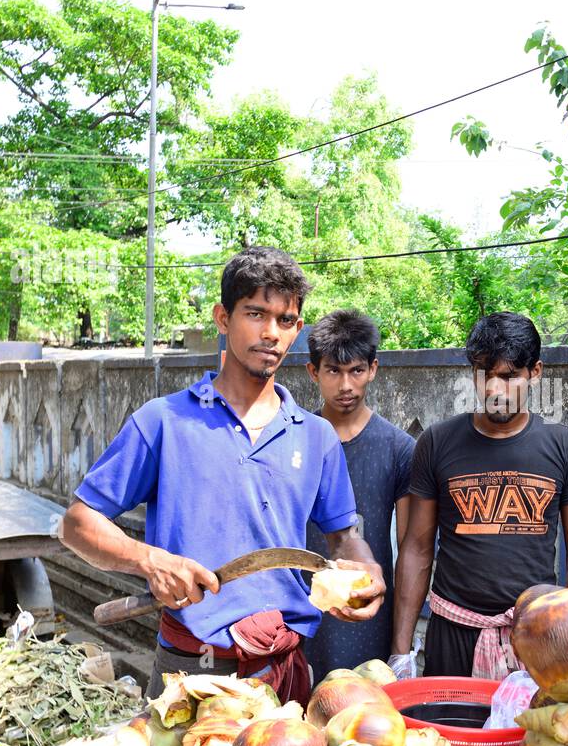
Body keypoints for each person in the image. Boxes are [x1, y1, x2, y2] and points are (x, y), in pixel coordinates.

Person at [59, 246, 386, 704]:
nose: (271, 333)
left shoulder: (316, 437)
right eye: (255, 313)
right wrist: (150, 561)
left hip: (285, 671)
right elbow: (76, 524)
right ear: (222, 317)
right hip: (191, 671)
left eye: (286, 320)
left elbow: (343, 536)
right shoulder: (164, 422)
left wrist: (364, 569)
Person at [390, 312, 568, 680]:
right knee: (449, 737)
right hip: (452, 631)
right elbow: (417, 549)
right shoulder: (436, 442)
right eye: (484, 373)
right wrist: (400, 652)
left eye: (509, 376)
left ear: (535, 372)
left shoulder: (565, 445)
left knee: (527, 738)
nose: (494, 389)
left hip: (533, 635)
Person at [303, 309, 415, 680]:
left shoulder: (398, 448)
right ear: (313, 372)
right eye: (333, 370)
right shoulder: (294, 441)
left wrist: (401, 647)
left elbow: (409, 551)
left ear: (373, 369)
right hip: (301, 613)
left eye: (356, 371)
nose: (346, 385)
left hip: (369, 614)